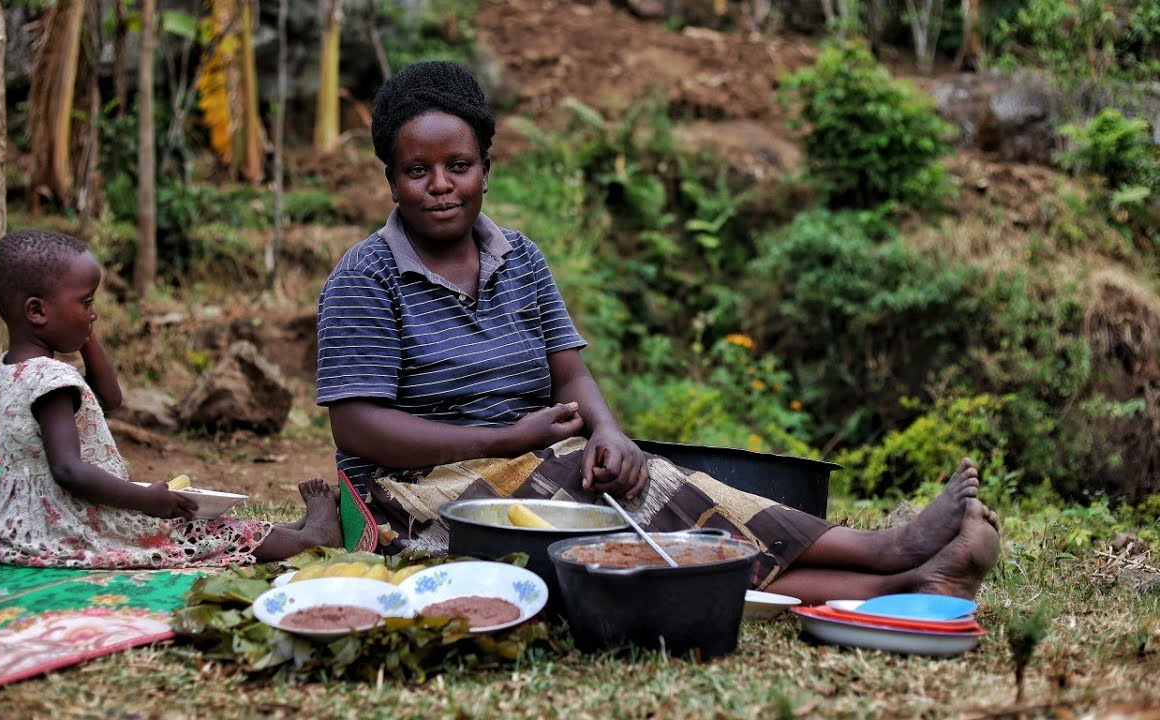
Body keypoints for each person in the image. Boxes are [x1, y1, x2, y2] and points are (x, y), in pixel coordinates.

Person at [316, 61, 1000, 604]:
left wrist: (610, 432)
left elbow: (571, 373)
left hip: (525, 466)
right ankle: (890, 561)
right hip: (407, 499)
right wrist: (504, 440)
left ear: (486, 172)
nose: (440, 185)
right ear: (393, 181)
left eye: (458, 166)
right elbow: (359, 430)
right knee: (610, 518)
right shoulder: (367, 277)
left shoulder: (519, 259)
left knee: (656, 482)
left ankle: (906, 573)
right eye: (417, 170)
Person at [0, 229, 340, 569]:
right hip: (68, 522)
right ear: (37, 311)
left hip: (31, 520)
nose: (94, 313)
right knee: (192, 531)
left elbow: (108, 398)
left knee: (204, 526)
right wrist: (146, 499)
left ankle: (286, 533)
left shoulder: (12, 367)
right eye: (86, 302)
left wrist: (85, 334)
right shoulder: (50, 381)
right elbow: (69, 470)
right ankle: (313, 540)